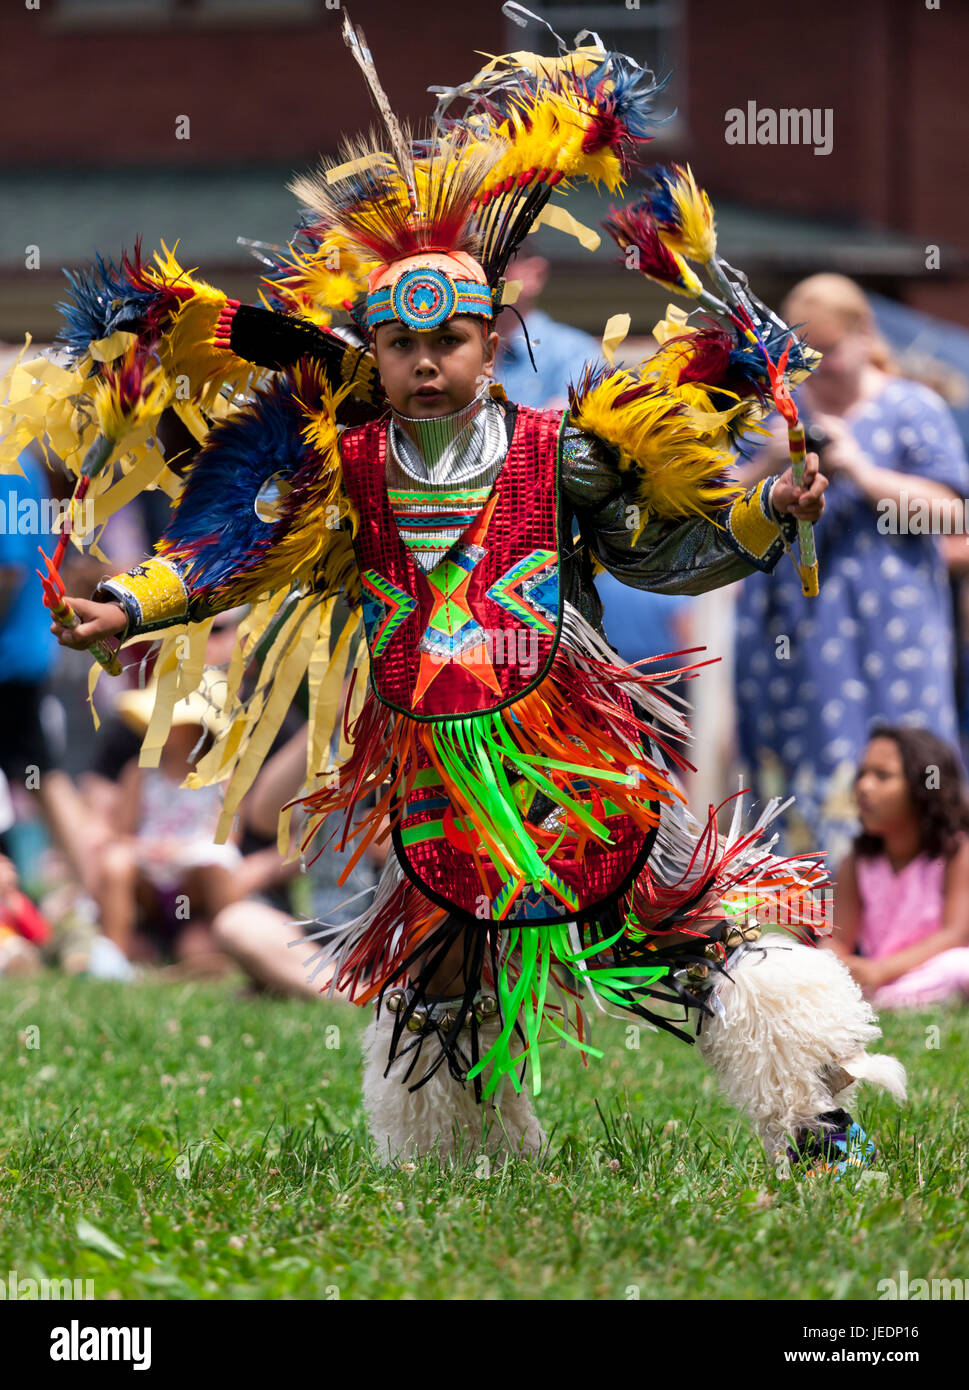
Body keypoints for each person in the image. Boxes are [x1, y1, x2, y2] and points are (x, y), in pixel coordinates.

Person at [14, 18, 905, 1166]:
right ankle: (461, 1158)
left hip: (572, 739)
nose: (425, 361)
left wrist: (760, 515)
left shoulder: (561, 449)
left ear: (493, 344)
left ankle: (815, 1113)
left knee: (687, 920)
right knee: (438, 958)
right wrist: (134, 604)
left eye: (451, 339)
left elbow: (649, 554)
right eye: (399, 343)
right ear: (374, 353)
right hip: (430, 752)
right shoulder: (344, 470)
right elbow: (237, 543)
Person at [733, 273, 969, 862]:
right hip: (794, 639)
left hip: (893, 640)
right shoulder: (774, 413)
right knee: (796, 782)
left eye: (830, 351)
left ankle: (907, 931)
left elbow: (950, 518)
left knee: (904, 769)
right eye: (804, 356)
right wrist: (765, 463)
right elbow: (716, 508)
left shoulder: (912, 407)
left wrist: (862, 469)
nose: (821, 368)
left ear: (865, 334)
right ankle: (810, 930)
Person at [830, 726, 969, 1009]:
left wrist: (880, 970)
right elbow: (837, 939)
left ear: (923, 788)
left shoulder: (956, 853)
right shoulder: (855, 862)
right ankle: (882, 999)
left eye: (882, 776)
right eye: (862, 774)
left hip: (928, 971)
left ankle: (881, 1000)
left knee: (961, 967)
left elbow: (955, 935)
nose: (863, 786)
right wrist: (837, 964)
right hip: (871, 977)